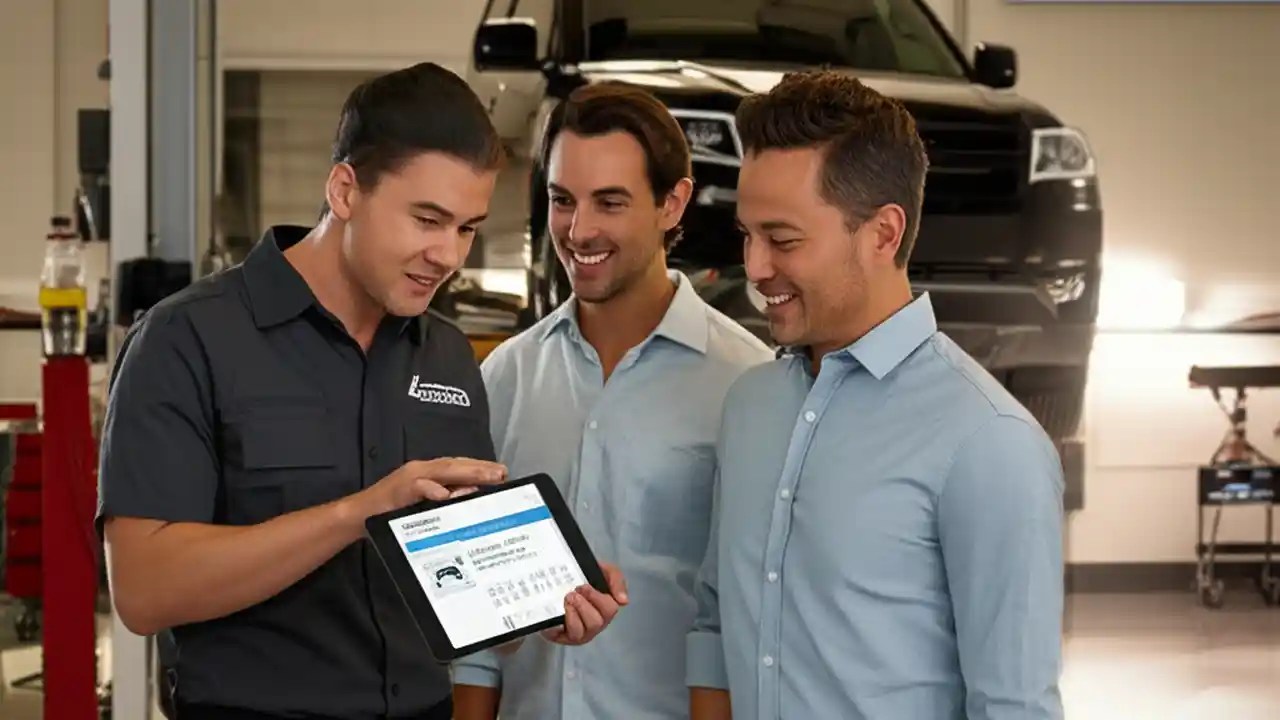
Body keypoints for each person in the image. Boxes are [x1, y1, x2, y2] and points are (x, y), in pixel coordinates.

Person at [97, 62, 625, 720]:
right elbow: (146, 591)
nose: (448, 255)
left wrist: (540, 605)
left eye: (466, 227)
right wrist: (360, 513)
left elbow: (459, 595)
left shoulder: (447, 355)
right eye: (427, 219)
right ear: (345, 190)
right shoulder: (186, 339)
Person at [686, 71, 1066, 719]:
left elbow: (1013, 706)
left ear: (883, 234)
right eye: (747, 235)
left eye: (783, 240)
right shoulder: (749, 405)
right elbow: (717, 623)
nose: (753, 268)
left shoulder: (989, 441)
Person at [451, 83, 772, 720]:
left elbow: (751, 620)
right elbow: (478, 629)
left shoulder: (749, 385)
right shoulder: (506, 376)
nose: (579, 229)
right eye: (562, 200)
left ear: (672, 203)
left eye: (610, 202)